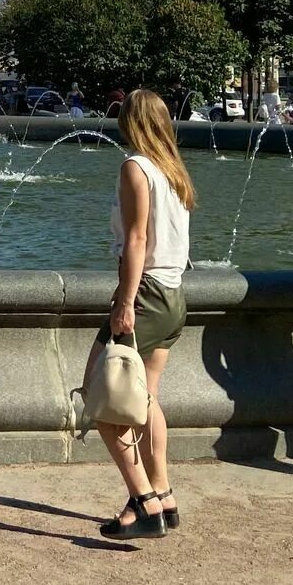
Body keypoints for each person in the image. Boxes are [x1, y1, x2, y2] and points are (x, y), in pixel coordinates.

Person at [87, 89, 194, 540]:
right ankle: (164, 495)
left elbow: (136, 240)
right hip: (173, 295)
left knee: (101, 397)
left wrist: (126, 301)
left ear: (129, 122)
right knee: (146, 397)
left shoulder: (136, 167)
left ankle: (144, 501)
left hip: (146, 293)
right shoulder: (173, 171)